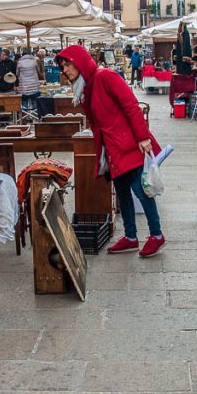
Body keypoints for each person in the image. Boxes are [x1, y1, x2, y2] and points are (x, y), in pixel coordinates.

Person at [55, 45, 165, 258]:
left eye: (68, 64)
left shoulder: (105, 76)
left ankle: (157, 235)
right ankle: (131, 237)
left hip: (128, 143)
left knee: (141, 191)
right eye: (63, 66)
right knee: (122, 192)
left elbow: (131, 105)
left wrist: (143, 137)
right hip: (113, 148)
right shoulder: (87, 85)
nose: (65, 69)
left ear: (79, 61)